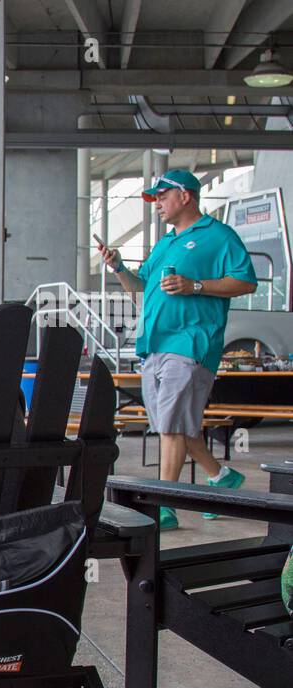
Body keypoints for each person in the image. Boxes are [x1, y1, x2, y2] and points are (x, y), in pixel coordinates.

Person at [97, 168, 257, 529]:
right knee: (175, 425)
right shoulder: (165, 243)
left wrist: (195, 285)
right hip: (154, 343)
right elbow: (139, 290)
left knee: (171, 424)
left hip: (191, 343)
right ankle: (221, 478)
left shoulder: (219, 236)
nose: (157, 204)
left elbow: (246, 282)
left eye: (162, 197)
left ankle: (163, 504)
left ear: (185, 196)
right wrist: (118, 267)